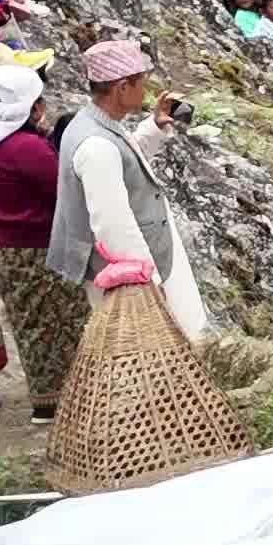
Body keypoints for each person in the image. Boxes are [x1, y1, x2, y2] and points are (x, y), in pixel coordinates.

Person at [50, 38, 207, 342]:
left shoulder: (97, 125)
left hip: (151, 252)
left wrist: (153, 127)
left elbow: (125, 161)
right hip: (141, 269)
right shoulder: (96, 146)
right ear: (122, 87)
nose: (146, 92)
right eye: (141, 83)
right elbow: (112, 225)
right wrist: (149, 282)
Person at [0, 62, 71, 425]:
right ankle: (59, 401)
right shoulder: (25, 146)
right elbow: (62, 190)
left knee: (33, 324)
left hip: (7, 248)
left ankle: (47, 399)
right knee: (57, 323)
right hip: (35, 248)